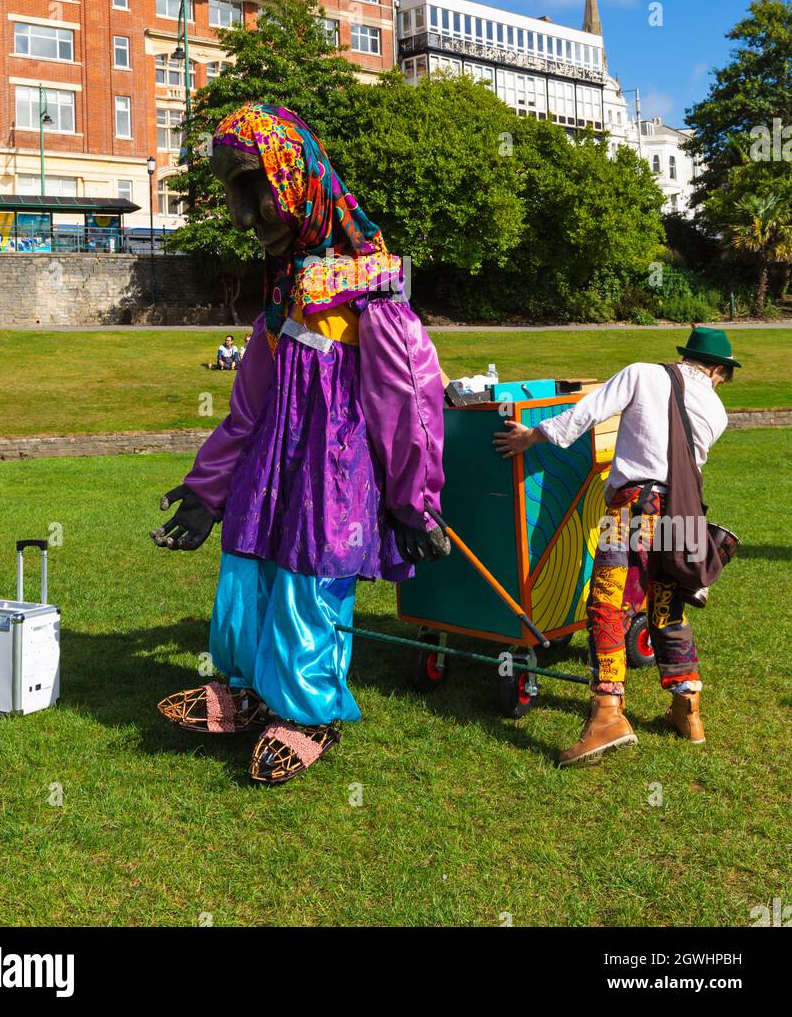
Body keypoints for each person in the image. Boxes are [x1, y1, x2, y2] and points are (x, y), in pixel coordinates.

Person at [152, 103, 448, 785]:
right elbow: (246, 410)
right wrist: (206, 491)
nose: (241, 216)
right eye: (232, 192)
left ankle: (308, 711)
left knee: (309, 582)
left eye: (252, 187)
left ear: (295, 179)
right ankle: (246, 689)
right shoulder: (283, 293)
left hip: (333, 475)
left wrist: (414, 502)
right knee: (247, 569)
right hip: (268, 470)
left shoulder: (371, 291)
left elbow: (407, 406)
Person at [493, 326, 739, 766]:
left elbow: (584, 414)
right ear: (718, 370)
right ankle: (688, 710)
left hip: (633, 509)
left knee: (607, 605)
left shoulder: (643, 373)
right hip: (683, 521)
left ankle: (607, 713)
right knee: (667, 609)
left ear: (687, 356)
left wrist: (529, 437)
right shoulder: (717, 411)